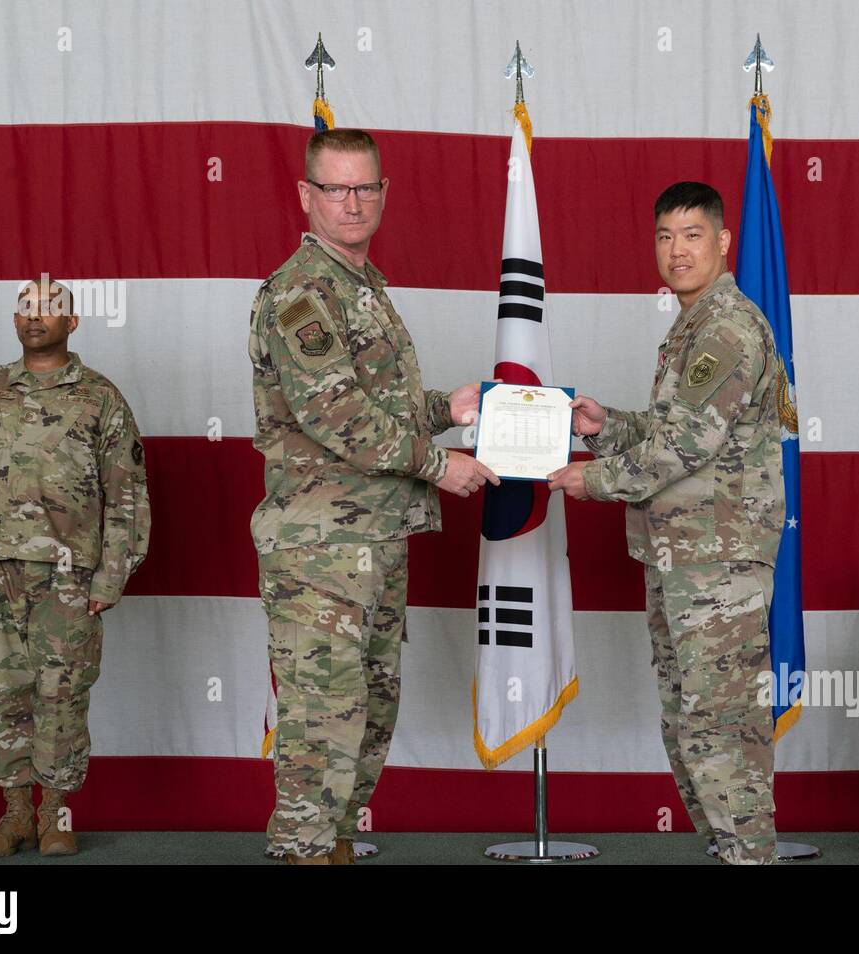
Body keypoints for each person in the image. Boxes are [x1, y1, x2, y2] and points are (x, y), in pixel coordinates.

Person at [250, 127, 497, 865]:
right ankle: (303, 850)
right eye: (335, 189)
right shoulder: (301, 292)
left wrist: (440, 410)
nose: (351, 203)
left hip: (373, 541)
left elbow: (370, 401)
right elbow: (334, 415)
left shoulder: (361, 286)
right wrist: (437, 464)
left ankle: (333, 846)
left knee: (368, 713)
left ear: (384, 194)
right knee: (321, 723)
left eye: (365, 188)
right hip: (321, 549)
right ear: (307, 196)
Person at [548, 182, 786, 864]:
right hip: (684, 559)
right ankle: (730, 854)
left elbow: (685, 446)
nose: (677, 250)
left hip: (717, 565)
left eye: (691, 235)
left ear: (722, 241)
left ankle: (749, 859)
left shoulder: (726, 329)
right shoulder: (693, 326)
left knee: (719, 729)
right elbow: (678, 430)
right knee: (691, 726)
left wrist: (588, 478)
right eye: (664, 236)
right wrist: (607, 427)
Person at [0, 276, 150, 857]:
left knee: (61, 693)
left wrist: (111, 575)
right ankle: (16, 815)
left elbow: (126, 494)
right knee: (3, 694)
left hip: (67, 576)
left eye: (50, 309)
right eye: (25, 308)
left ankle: (57, 813)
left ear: (72, 322)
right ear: (13, 319)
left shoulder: (100, 398)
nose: (35, 317)